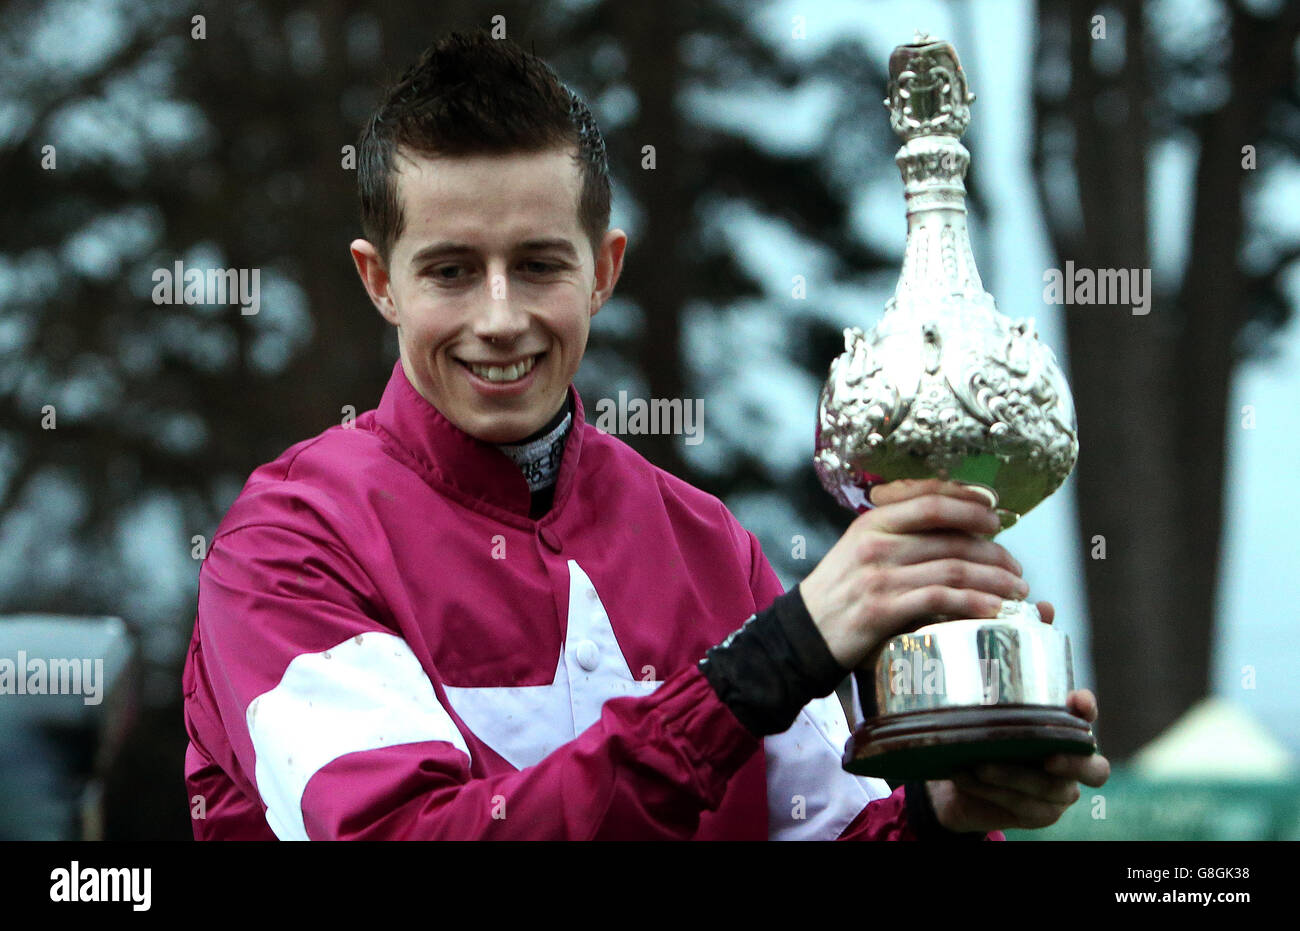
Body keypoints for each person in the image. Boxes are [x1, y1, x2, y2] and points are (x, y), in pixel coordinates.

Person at [181, 30, 1109, 841]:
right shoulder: (285, 546)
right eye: (453, 270)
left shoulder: (709, 545)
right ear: (381, 282)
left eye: (539, 263)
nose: (499, 318)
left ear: (604, 269)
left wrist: (944, 814)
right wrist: (771, 661)